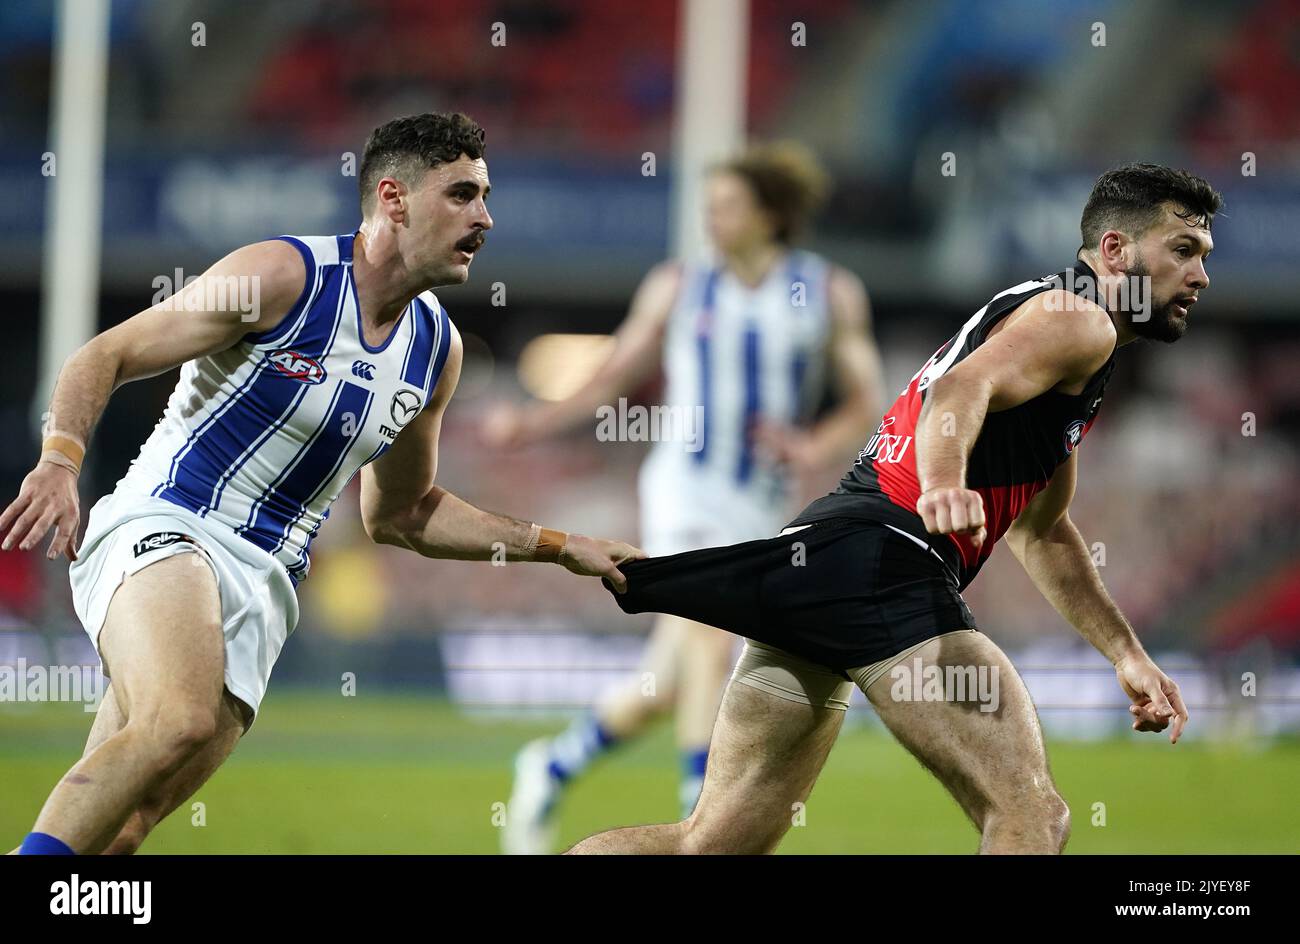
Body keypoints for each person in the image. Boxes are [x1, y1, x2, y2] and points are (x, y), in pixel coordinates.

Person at [0, 112, 641, 856]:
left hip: (268, 585)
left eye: (485, 196)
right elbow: (106, 354)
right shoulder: (283, 278)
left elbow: (404, 513)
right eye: (463, 195)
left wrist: (556, 546)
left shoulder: (436, 349)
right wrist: (61, 460)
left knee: (125, 828)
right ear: (394, 200)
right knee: (177, 720)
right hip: (165, 525)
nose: (485, 218)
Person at [569, 162, 1214, 854]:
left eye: (1204, 256)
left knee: (708, 845)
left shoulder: (1045, 318)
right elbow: (960, 390)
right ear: (1114, 250)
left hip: (817, 554)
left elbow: (1044, 529)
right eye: (1182, 251)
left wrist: (1126, 655)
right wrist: (941, 483)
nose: (1201, 276)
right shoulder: (1080, 320)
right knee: (1030, 815)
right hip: (886, 564)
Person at [488, 142, 882, 854]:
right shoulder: (680, 285)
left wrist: (813, 446)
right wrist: (534, 420)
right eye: (708, 206)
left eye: (727, 205)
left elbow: (864, 401)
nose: (711, 219)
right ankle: (701, 815)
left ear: (770, 215)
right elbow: (612, 372)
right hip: (684, 486)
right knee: (707, 632)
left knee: (667, 682)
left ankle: (550, 764)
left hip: (761, 501)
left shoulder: (828, 291)